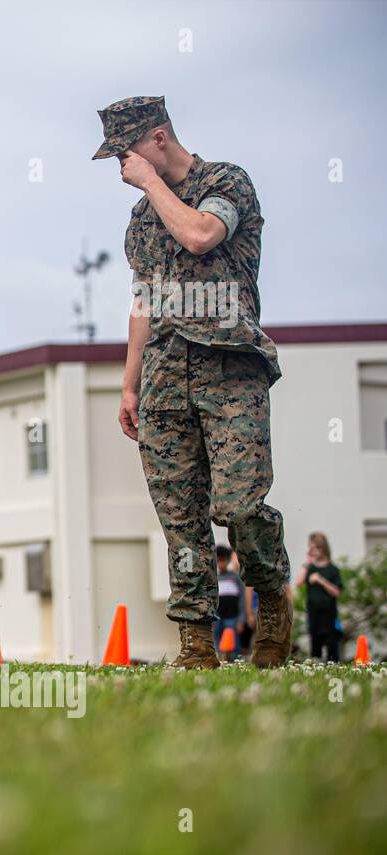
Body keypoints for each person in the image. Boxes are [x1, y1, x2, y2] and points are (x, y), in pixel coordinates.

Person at [98, 96, 291, 669]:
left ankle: (273, 599)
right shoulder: (139, 219)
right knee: (179, 516)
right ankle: (196, 642)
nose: (121, 167)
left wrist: (154, 186)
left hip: (229, 369)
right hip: (163, 378)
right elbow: (143, 301)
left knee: (240, 506)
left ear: (157, 139)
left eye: (126, 153)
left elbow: (202, 235)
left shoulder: (226, 182)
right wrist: (129, 384)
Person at [295, 532, 343, 662]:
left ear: (323, 548)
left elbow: (337, 592)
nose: (314, 551)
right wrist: (307, 563)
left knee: (331, 644)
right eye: (311, 548)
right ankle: (316, 667)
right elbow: (298, 582)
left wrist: (320, 580)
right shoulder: (309, 568)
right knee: (315, 643)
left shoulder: (333, 569)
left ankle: (334, 668)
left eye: (316, 547)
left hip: (329, 614)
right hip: (313, 612)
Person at [214, 545, 243, 660]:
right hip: (217, 616)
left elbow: (242, 599)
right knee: (217, 638)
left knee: (233, 639)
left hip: (233, 615)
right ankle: (218, 659)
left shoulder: (235, 578)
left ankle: (235, 659)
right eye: (219, 561)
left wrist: (242, 617)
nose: (221, 563)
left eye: (223, 560)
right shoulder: (215, 578)